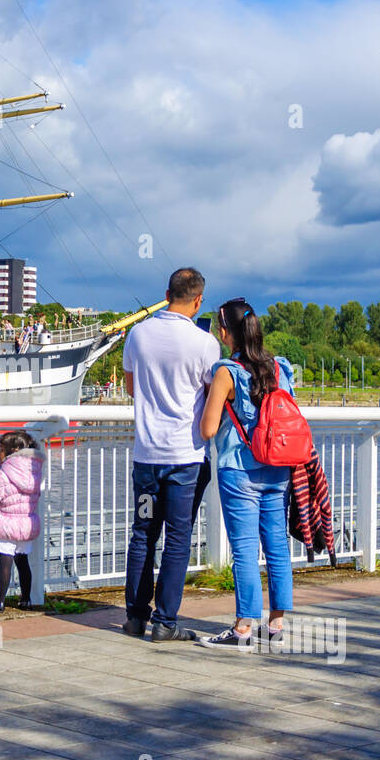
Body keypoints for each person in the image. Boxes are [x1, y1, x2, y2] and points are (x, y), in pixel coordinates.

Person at [122, 267, 222, 641]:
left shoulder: (138, 334)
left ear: (167, 293)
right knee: (178, 537)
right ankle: (165, 622)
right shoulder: (204, 343)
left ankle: (134, 617)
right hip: (185, 458)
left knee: (143, 533)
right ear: (198, 301)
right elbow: (215, 393)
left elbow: (133, 388)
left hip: (146, 456)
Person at [198, 297, 295, 649]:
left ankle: (242, 628)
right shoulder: (282, 367)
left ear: (226, 333)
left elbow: (208, 429)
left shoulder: (227, 372)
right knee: (277, 547)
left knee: (244, 550)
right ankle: (278, 625)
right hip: (279, 468)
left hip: (239, 470)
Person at [0, 430, 45, 612]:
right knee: (23, 562)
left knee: (4, 564)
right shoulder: (35, 472)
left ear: (12, 450)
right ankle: (26, 599)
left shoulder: (4, 474)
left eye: (1, 449)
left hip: (6, 523)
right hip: (26, 523)